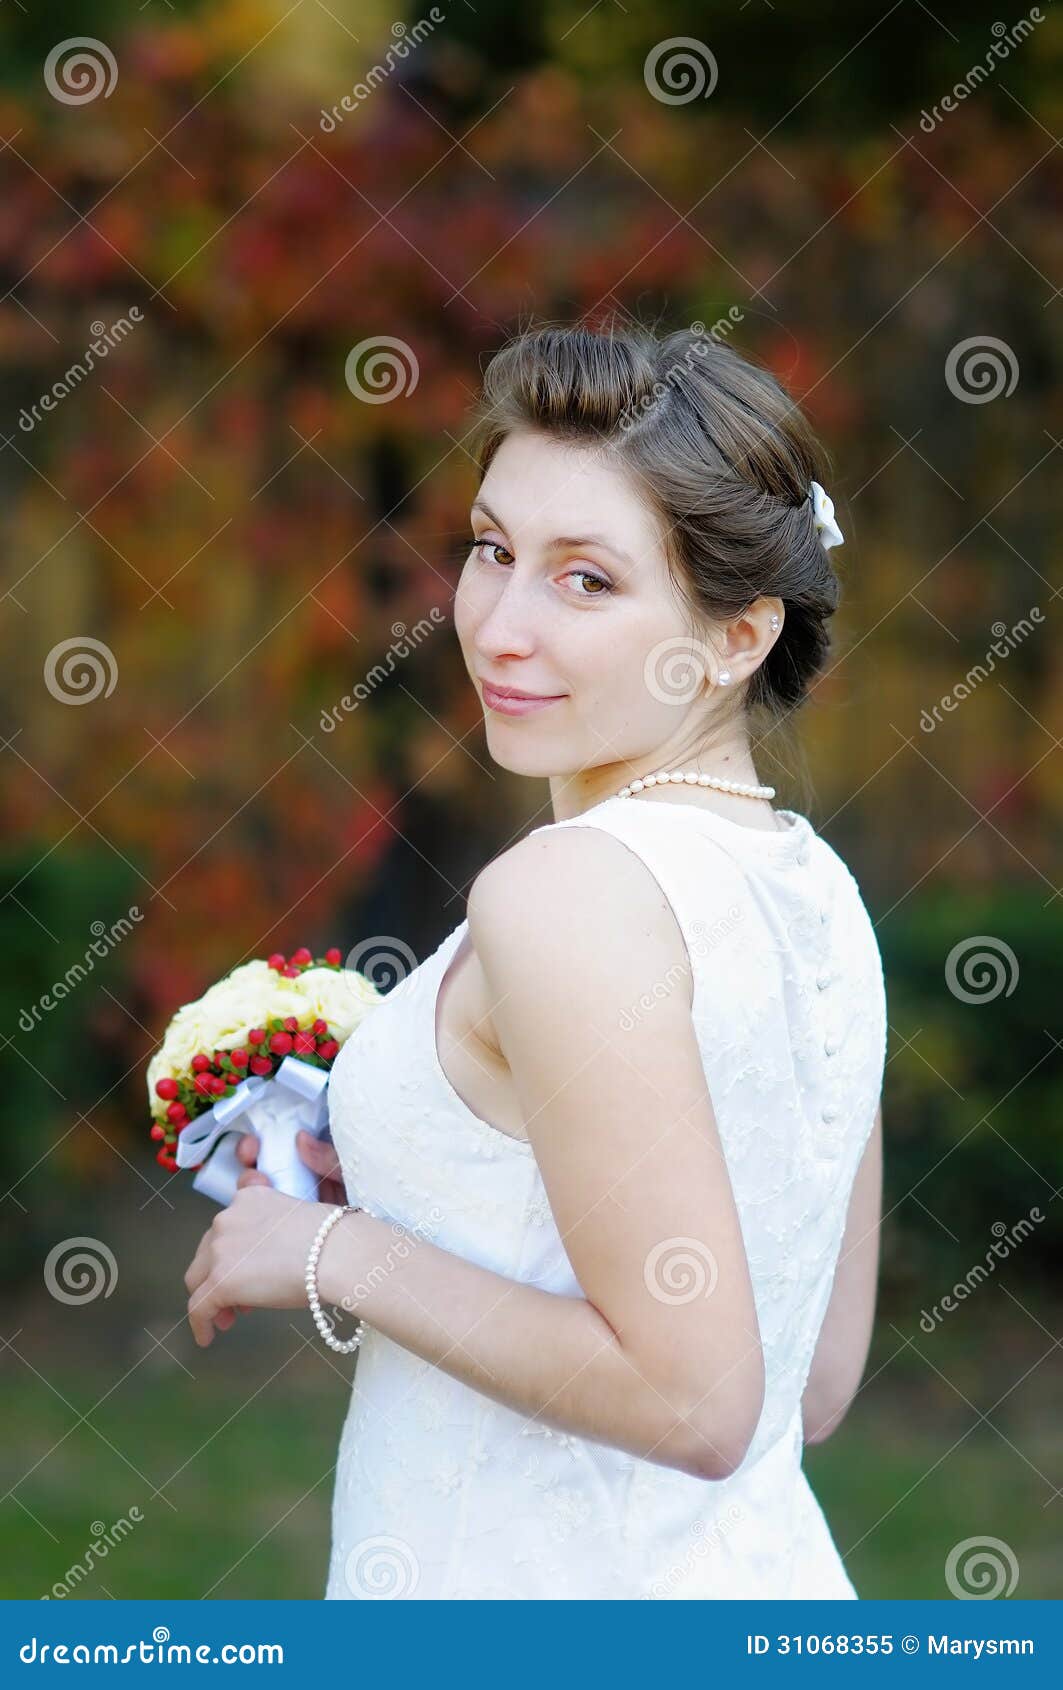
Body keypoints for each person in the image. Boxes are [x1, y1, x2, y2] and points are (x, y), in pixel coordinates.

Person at [184, 321, 887, 1600]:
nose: (500, 627)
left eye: (587, 581)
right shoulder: (816, 890)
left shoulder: (563, 892)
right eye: (494, 550)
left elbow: (697, 1401)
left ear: (738, 637)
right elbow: (814, 1380)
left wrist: (331, 1248)